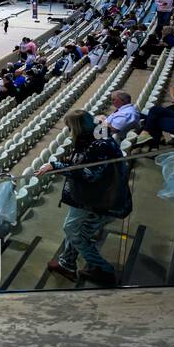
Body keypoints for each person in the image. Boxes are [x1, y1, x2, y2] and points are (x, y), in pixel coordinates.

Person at [38, 110, 130, 286]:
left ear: (77, 127)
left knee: (72, 230)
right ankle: (67, 263)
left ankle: (104, 269)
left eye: (69, 127)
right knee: (79, 230)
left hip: (96, 199)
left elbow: (90, 174)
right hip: (92, 196)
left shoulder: (98, 144)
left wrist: (55, 165)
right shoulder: (97, 134)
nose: (68, 131)